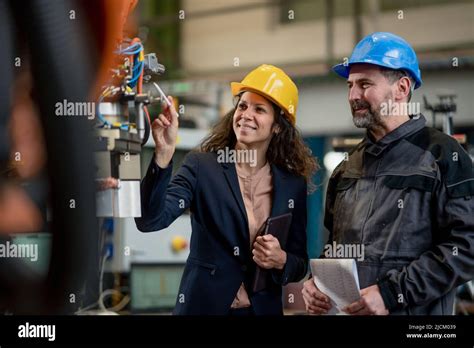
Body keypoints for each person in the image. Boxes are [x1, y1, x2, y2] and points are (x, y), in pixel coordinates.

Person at [302, 32, 474, 315]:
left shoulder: (443, 155)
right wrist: (318, 283)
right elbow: (336, 251)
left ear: (402, 87)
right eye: (350, 85)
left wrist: (394, 293)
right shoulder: (347, 168)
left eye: (365, 84)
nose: (353, 95)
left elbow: (467, 246)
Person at [135, 64, 318, 315]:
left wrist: (281, 259)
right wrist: (163, 157)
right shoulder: (202, 167)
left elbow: (299, 262)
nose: (246, 114)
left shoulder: (291, 184)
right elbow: (149, 221)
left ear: (277, 126)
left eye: (259, 109)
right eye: (242, 106)